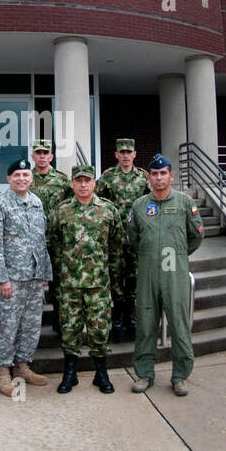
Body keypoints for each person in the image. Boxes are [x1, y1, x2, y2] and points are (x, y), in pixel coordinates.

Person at [126, 154, 204, 397]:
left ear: (171, 176)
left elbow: (196, 235)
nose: (159, 178)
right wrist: (151, 255)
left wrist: (178, 254)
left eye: (163, 173)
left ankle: (180, 375)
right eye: (154, 174)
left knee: (179, 325)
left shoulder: (183, 203)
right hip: (147, 272)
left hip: (174, 273)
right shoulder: (139, 205)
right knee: (146, 325)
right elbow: (133, 237)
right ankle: (145, 374)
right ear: (148, 177)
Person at [49, 163, 122, 394]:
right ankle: (70, 373)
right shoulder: (62, 211)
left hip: (98, 283)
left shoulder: (108, 210)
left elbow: (117, 245)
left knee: (99, 330)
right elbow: (53, 243)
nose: (83, 185)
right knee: (70, 330)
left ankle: (101, 373)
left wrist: (113, 278)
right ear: (72, 183)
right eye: (78, 181)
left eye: (87, 181)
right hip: (69, 284)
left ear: (94, 183)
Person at [0, 157, 52, 395]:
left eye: (26, 175)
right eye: (17, 175)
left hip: (33, 279)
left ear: (31, 178)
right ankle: (2, 370)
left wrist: (45, 272)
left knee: (31, 326)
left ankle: (22, 365)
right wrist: (1, 279)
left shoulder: (36, 202)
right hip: (10, 280)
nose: (22, 179)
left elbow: (41, 241)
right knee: (6, 326)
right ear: (8, 179)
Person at [96, 137, 150, 338]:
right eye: (122, 152)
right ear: (116, 154)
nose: (126, 156)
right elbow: (97, 201)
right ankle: (117, 316)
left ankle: (132, 316)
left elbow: (152, 203)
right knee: (116, 278)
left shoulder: (143, 177)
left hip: (137, 238)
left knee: (135, 277)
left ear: (134, 154)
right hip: (115, 239)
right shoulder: (108, 177)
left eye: (129, 152)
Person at [28, 138, 70, 335]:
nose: (42, 156)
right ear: (33, 156)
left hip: (57, 239)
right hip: (33, 241)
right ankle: (31, 327)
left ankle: (60, 320)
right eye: (39, 153)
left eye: (46, 153)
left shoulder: (62, 180)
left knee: (60, 281)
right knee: (33, 282)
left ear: (51, 156)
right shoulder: (26, 179)